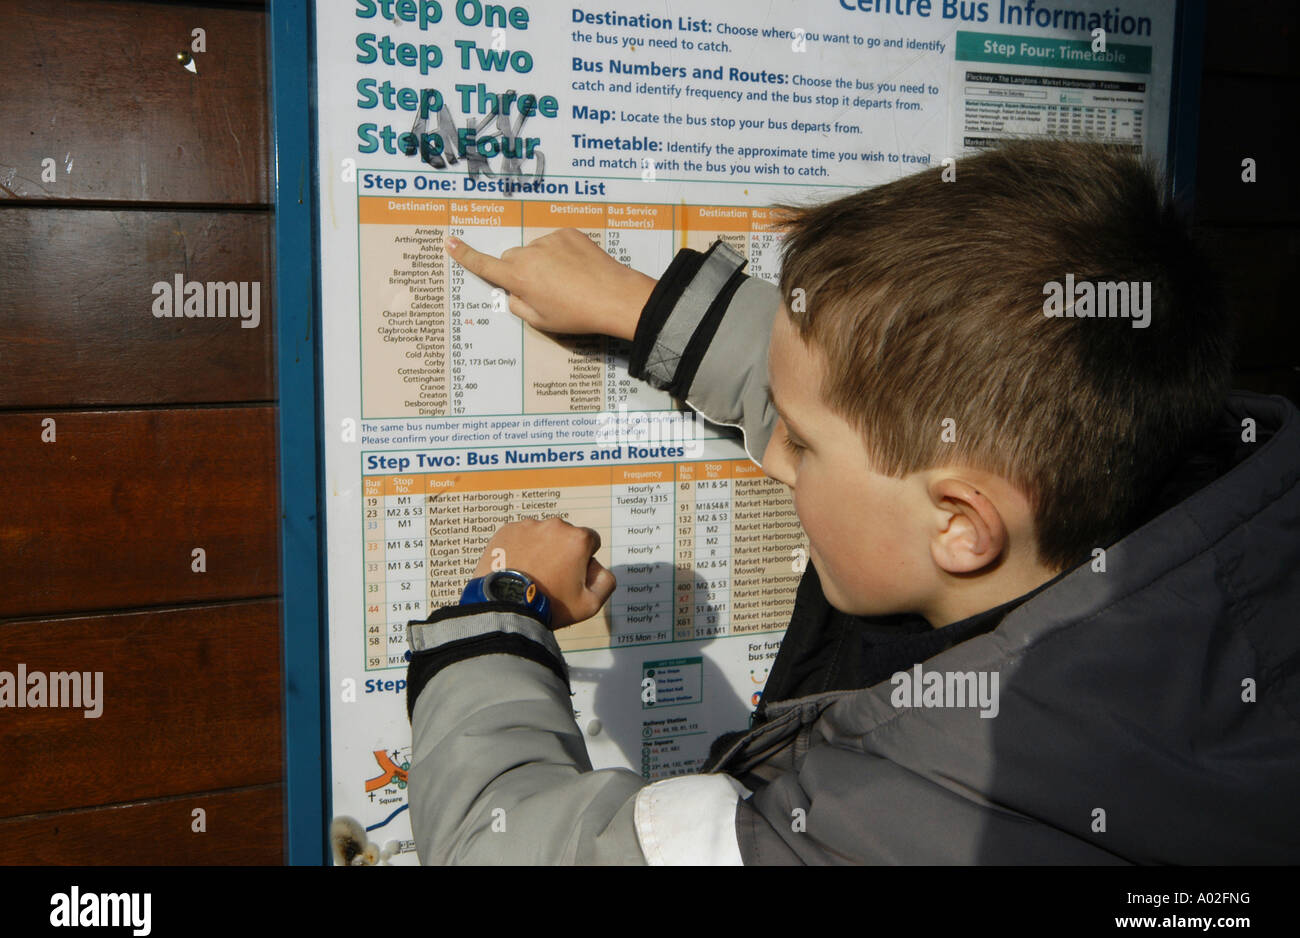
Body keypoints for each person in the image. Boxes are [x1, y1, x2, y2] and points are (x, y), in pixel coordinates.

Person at [402, 137, 1300, 864]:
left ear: (959, 526)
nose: (778, 454)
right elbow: (907, 388)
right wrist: (639, 307)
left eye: (800, 441)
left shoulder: (897, 822)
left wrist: (502, 609)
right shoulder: (1189, 477)